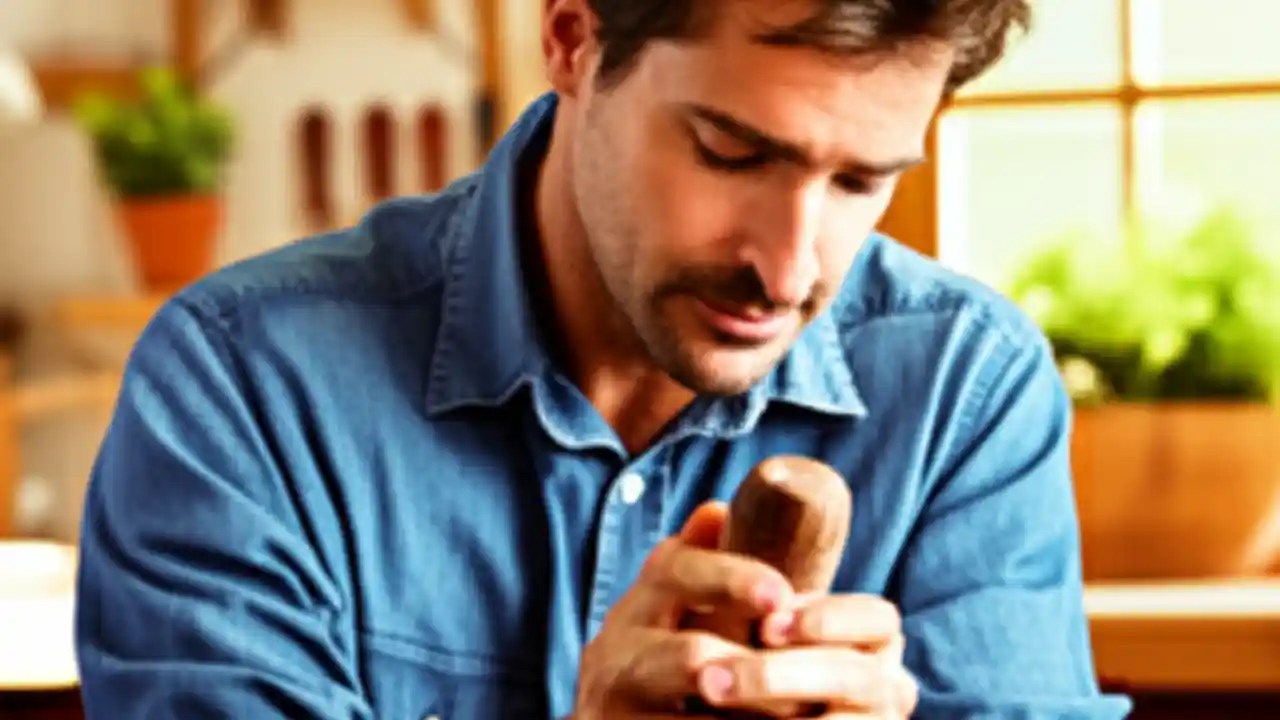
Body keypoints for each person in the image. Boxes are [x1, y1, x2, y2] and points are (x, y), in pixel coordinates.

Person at [75, 0, 1133, 717]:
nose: (786, 267)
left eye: (861, 182)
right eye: (729, 152)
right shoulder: (239, 387)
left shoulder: (965, 394)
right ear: (573, 38)